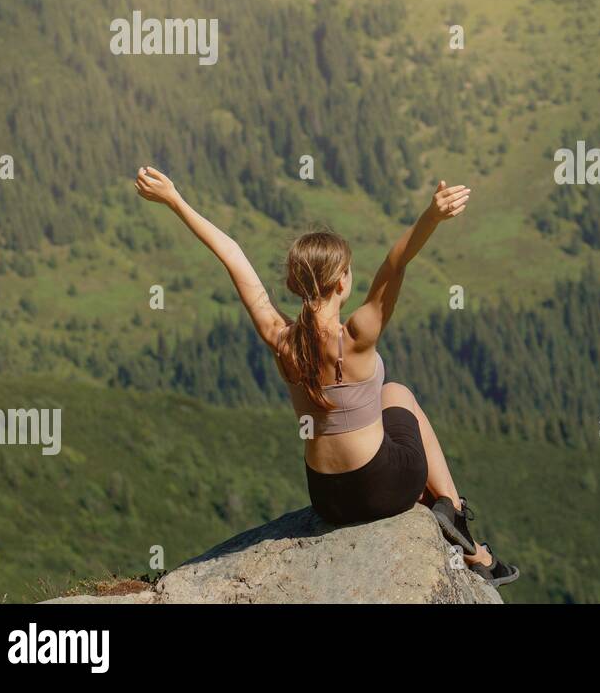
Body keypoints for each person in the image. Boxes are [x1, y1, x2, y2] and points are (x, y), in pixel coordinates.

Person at [133, 165, 518, 588]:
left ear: (295, 284)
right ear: (340, 282)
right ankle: (458, 518)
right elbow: (396, 262)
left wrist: (175, 200)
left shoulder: (281, 340)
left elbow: (233, 256)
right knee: (399, 393)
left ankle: (462, 530)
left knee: (388, 401)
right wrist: (432, 215)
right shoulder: (357, 335)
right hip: (383, 487)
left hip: (328, 499)